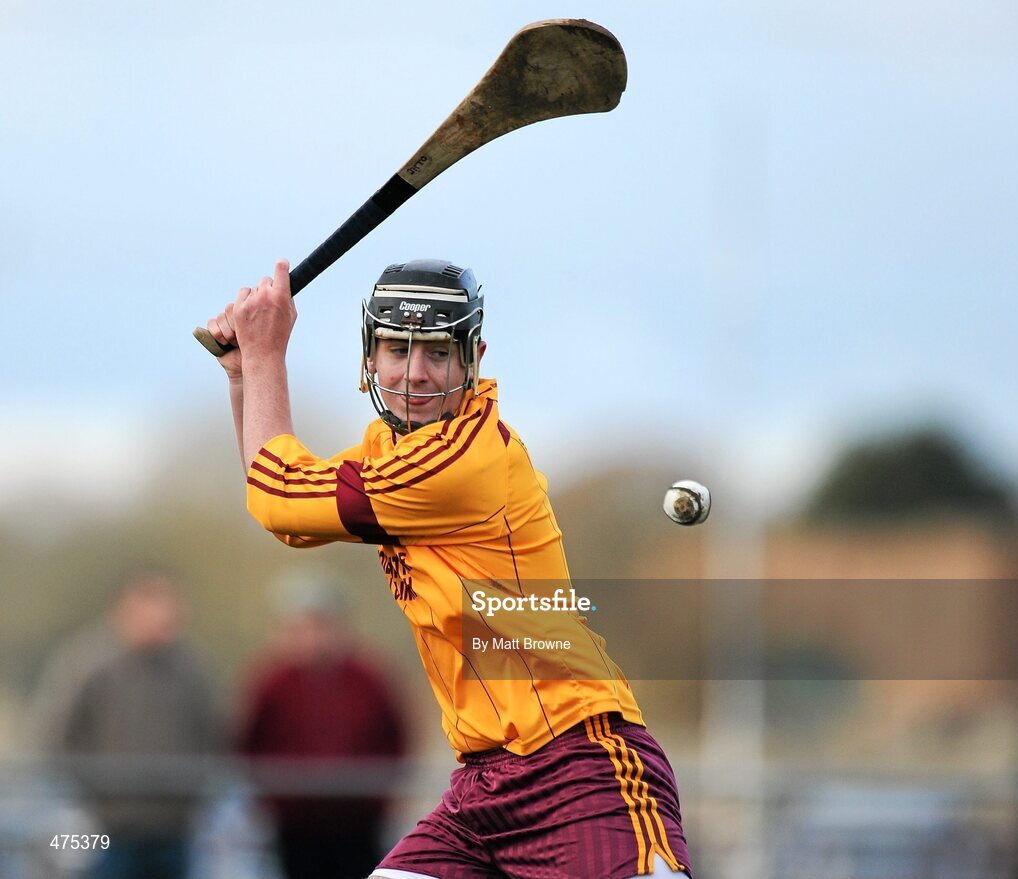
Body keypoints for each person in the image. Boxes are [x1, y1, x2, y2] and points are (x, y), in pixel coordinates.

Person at [205, 258, 692, 878]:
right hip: (482, 788)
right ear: (369, 356)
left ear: (473, 358)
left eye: (438, 352)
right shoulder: (391, 450)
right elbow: (288, 514)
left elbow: (280, 498)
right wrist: (244, 374)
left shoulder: (460, 461)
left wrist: (267, 355)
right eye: (396, 350)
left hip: (579, 770)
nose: (415, 372)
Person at [34, 568, 222, 879]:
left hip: (174, 829)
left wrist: (195, 796)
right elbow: (56, 735)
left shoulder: (192, 669)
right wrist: (93, 794)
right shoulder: (87, 662)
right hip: (106, 829)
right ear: (126, 609)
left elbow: (213, 736)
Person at [236, 568, 408, 878]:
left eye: (320, 625)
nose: (313, 637)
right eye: (302, 627)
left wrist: (380, 796)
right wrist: (272, 800)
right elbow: (250, 741)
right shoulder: (272, 682)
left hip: (359, 822)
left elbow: (395, 735)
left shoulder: (368, 679)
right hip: (295, 825)